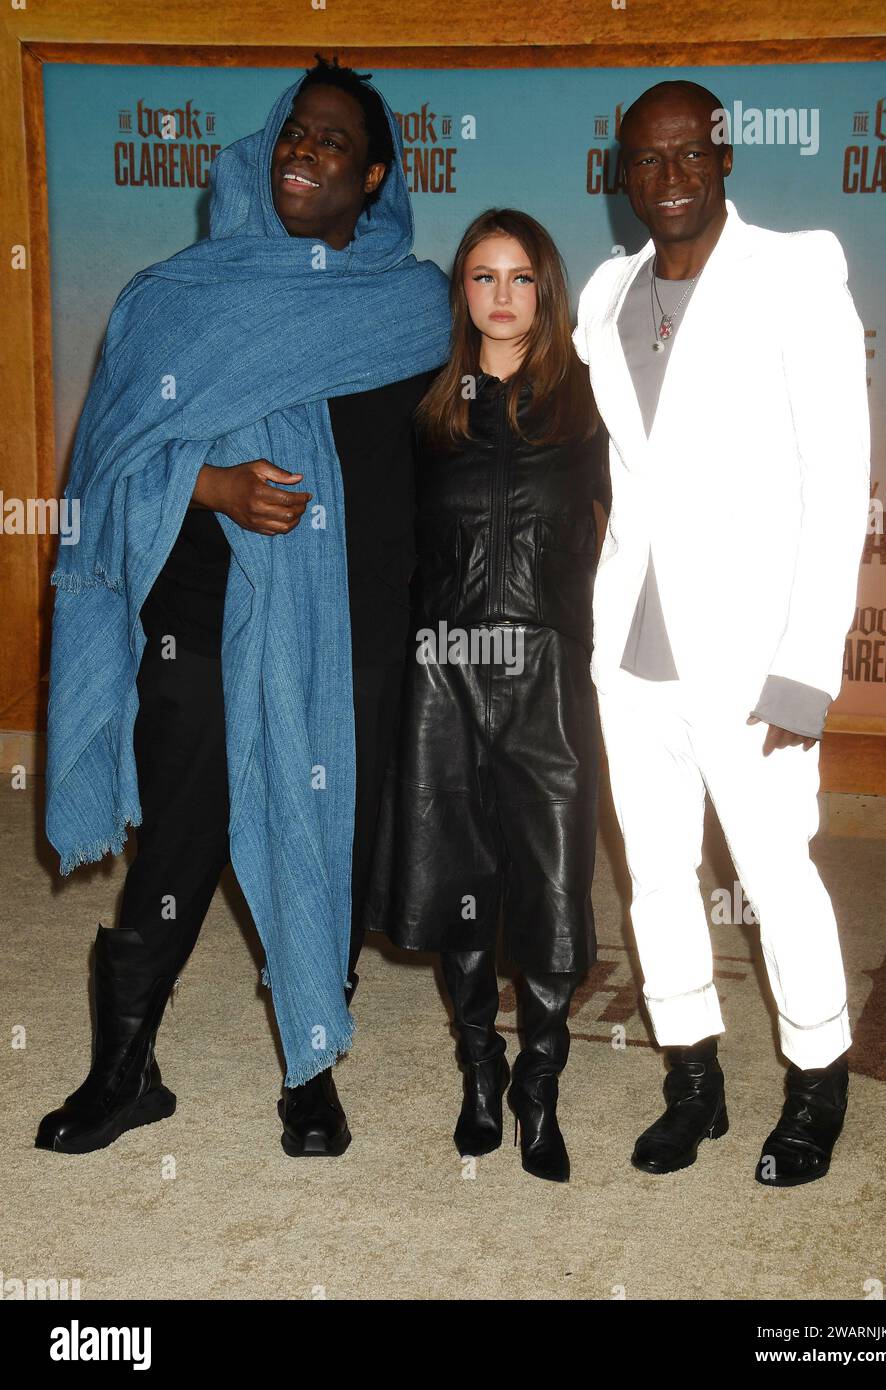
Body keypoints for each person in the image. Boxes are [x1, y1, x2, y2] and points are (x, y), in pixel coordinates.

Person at [37, 56, 451, 1157]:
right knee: (186, 820)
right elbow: (107, 473)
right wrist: (210, 487)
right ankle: (125, 1068)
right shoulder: (176, 299)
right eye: (294, 132)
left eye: (333, 142)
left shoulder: (412, 308)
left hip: (351, 619)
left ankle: (310, 1061)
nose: (306, 151)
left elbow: (444, 467)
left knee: (328, 822)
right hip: (197, 602)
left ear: (373, 179)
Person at [573, 80, 870, 1186]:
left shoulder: (794, 272)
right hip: (632, 650)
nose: (670, 179)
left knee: (773, 870)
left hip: (754, 660)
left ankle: (814, 1079)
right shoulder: (605, 296)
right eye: (646, 163)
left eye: (688, 154)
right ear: (623, 176)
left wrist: (808, 664)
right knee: (654, 875)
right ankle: (690, 1078)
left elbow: (838, 483)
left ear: (724, 154)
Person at [365, 209, 610, 1183]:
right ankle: (480, 1070)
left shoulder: (589, 401)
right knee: (457, 888)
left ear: (546, 292)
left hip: (550, 676)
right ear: (459, 291)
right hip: (445, 675)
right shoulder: (425, 406)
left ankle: (538, 1090)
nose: (502, 296)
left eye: (521, 278)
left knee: (552, 890)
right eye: (481, 276)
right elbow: (386, 546)